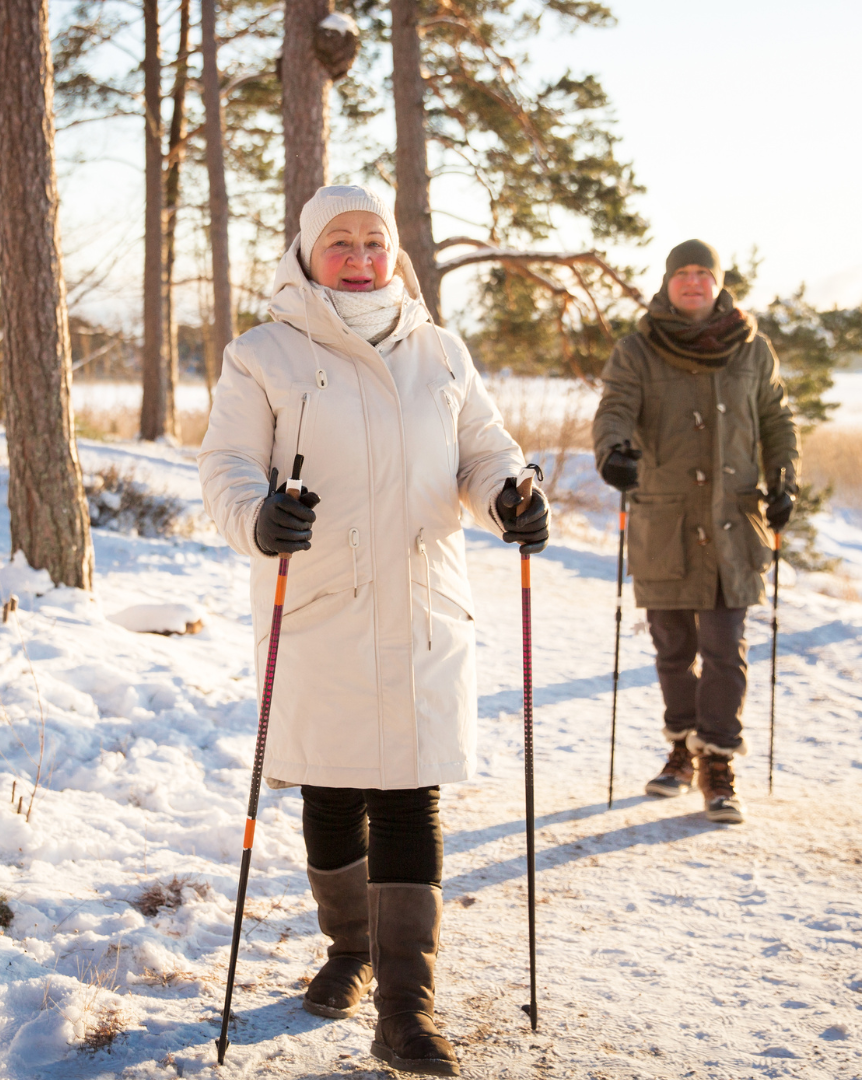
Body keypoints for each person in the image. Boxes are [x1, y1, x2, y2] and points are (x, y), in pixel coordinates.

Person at [198, 185, 548, 1078]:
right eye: (340, 242)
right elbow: (228, 467)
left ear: (395, 254)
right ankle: (348, 948)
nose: (359, 256)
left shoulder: (441, 351)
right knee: (331, 793)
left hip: (425, 601)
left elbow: (484, 449)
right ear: (308, 255)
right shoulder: (263, 355)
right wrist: (258, 516)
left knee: (409, 795)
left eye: (374, 242)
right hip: (319, 604)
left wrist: (510, 495)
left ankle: (405, 1008)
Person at [592, 239, 798, 825]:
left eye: (701, 273)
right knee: (674, 650)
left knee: (725, 649)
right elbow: (614, 409)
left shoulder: (752, 349)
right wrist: (614, 452)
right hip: (667, 522)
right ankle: (681, 749)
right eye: (681, 273)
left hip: (733, 523)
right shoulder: (637, 350)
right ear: (666, 283)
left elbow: (777, 419)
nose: (691, 283)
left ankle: (718, 762)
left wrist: (785, 480)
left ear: (717, 283)